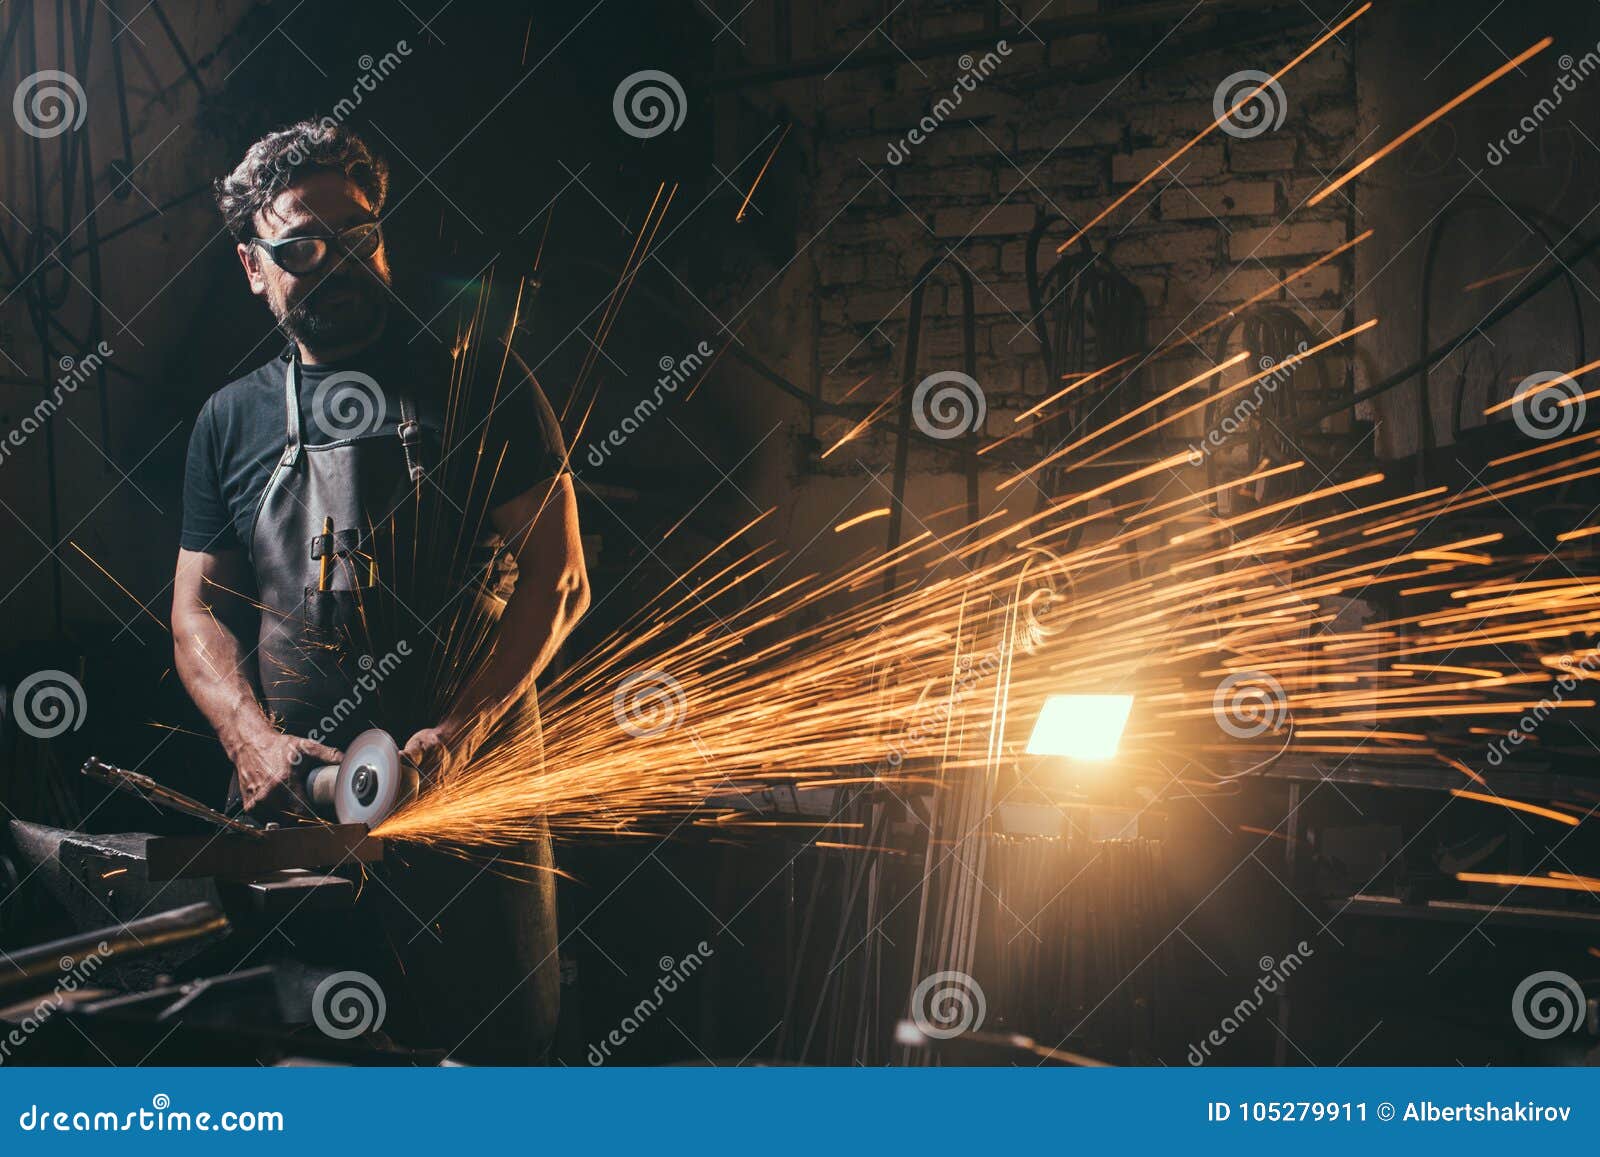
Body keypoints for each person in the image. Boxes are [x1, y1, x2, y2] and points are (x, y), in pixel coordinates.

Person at [172, 121, 588, 1062]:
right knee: (319, 1071)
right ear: (253, 266)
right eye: (303, 248)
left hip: (472, 807)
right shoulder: (229, 422)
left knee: (490, 1071)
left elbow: (558, 578)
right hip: (302, 818)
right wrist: (250, 738)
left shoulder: (478, 380)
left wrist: (465, 729)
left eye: (359, 239)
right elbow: (196, 610)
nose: (338, 266)